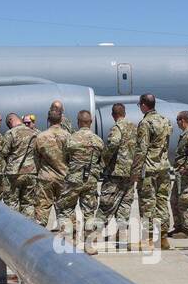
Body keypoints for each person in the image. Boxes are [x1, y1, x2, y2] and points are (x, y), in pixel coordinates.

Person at [133, 93, 172, 251]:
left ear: (143, 105)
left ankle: (148, 239)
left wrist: (135, 171)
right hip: (163, 167)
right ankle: (163, 238)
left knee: (147, 203)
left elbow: (141, 149)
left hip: (149, 168)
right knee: (162, 201)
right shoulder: (165, 120)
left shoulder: (145, 123)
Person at [62, 109, 104, 253]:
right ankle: (89, 245)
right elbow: (101, 161)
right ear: (91, 122)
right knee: (89, 212)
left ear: (78, 122)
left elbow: (65, 159)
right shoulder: (98, 141)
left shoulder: (71, 139)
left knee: (68, 210)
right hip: (90, 180)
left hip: (73, 180)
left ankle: (71, 242)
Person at [98, 103, 138, 250]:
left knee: (106, 204)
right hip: (130, 173)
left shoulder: (117, 128)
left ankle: (95, 234)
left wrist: (104, 160)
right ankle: (122, 237)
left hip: (116, 172)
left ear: (113, 115)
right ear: (125, 113)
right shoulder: (134, 128)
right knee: (124, 205)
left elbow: (113, 143)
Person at [33, 107, 70, 229]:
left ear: (48, 119)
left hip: (45, 177)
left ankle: (38, 237)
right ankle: (67, 239)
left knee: (42, 210)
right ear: (61, 120)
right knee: (64, 210)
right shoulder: (68, 137)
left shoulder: (40, 137)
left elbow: (36, 159)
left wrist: (41, 171)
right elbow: (71, 158)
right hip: (63, 177)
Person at [168, 110, 188, 239]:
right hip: (181, 175)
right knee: (174, 200)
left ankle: (187, 230)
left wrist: (186, 168)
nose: (177, 123)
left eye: (177, 120)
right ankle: (179, 227)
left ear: (182, 120)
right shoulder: (184, 135)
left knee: (185, 201)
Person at [2, 113, 39, 217]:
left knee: (12, 203)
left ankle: (14, 229)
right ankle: (29, 230)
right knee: (29, 203)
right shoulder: (34, 133)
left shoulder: (10, 133)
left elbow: (4, 152)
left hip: (14, 174)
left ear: (10, 121)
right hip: (32, 172)